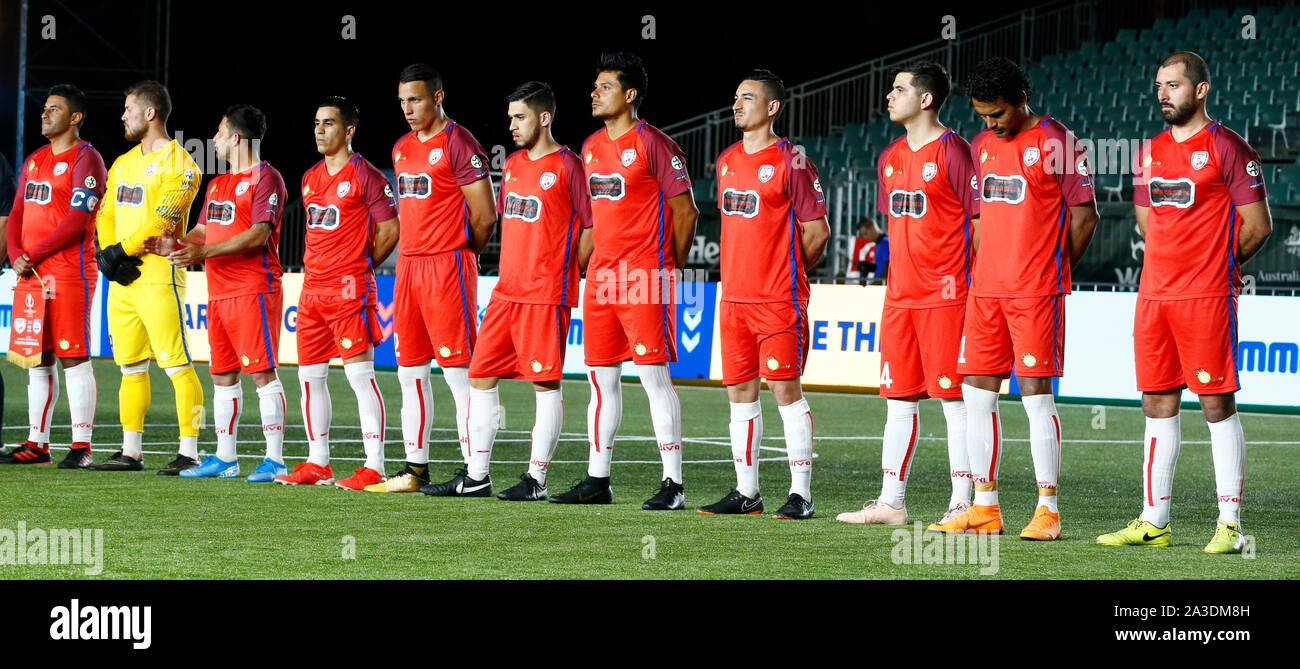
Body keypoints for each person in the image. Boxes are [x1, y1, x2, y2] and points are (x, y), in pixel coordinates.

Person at [1098, 51, 1271, 554]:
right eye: (1158, 85)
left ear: (1200, 90)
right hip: (1155, 296)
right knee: (1157, 402)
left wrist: (1213, 263)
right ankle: (1154, 520)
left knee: (1216, 403)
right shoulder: (1149, 150)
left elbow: (1259, 226)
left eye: (1173, 85)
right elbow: (1147, 221)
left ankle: (1231, 525)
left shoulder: (1229, 147)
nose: (1163, 94)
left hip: (1206, 296)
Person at [927, 58, 1098, 540]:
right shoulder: (981, 146)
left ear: (1021, 99)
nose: (990, 125)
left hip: (1035, 293)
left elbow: (1085, 219)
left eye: (997, 114)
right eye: (982, 116)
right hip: (986, 293)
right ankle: (984, 508)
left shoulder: (1058, 142)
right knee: (976, 395)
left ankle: (1048, 510)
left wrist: (1050, 270)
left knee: (1036, 399)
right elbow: (979, 223)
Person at [427, 81, 592, 500]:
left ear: (544, 117)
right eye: (511, 118)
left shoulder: (570, 166)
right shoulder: (515, 165)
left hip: (544, 294)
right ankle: (477, 475)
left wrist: (567, 270)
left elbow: (592, 228)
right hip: (505, 292)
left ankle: (536, 479)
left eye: (520, 117)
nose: (512, 125)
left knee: (545, 384)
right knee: (480, 375)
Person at [549, 52, 699, 509]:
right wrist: (581, 266)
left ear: (630, 95)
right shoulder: (591, 146)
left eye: (605, 87)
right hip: (601, 279)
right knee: (601, 379)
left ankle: (673, 483)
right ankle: (598, 479)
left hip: (644, 277)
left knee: (654, 377)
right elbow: (594, 220)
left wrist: (666, 269)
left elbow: (686, 211)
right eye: (593, 87)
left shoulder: (656, 144)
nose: (594, 93)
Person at [837, 61, 979, 526]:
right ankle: (891, 502)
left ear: (926, 99)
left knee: (953, 401)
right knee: (898, 400)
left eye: (898, 90)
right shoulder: (890, 157)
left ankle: (964, 501)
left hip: (947, 297)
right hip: (899, 298)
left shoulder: (956, 151)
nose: (888, 96)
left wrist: (969, 284)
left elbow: (978, 226)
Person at [696, 70, 829, 519]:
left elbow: (817, 232)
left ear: (772, 107)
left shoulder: (793, 160)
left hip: (779, 300)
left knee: (786, 392)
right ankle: (746, 491)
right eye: (735, 97)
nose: (737, 104)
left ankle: (802, 495)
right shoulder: (728, 160)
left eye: (747, 98)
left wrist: (783, 272)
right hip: (733, 300)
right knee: (739, 394)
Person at [150, 105, 290, 482]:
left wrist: (203, 252)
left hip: (253, 289)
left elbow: (259, 233)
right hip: (219, 291)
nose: (213, 140)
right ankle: (226, 459)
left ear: (237, 138)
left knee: (262, 373)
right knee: (222, 375)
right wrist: (174, 242)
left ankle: (275, 460)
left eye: (219, 132)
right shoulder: (218, 184)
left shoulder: (267, 178)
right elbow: (202, 231)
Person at [379, 63, 495, 494]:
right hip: (407, 268)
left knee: (457, 372)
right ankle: (415, 469)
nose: (408, 109)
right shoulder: (401, 148)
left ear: (438, 97)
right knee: (410, 372)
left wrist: (460, 254)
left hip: (447, 267)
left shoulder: (460, 142)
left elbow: (485, 216)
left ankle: (474, 473)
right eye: (403, 101)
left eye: (416, 99)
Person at [274, 96, 399, 488]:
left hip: (349, 292)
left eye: (328, 123)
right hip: (311, 291)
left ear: (348, 130)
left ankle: (375, 465)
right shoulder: (309, 177)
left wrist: (358, 265)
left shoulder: (367, 176)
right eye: (315, 123)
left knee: (360, 377)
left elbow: (390, 230)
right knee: (310, 378)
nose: (319, 130)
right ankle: (318, 462)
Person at [89, 81, 205, 474]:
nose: (122, 116)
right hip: (122, 280)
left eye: (128, 108)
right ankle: (131, 451)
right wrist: (108, 255)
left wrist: (121, 251)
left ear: (151, 113)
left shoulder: (182, 163)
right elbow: (105, 212)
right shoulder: (122, 163)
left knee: (175, 364)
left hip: (158, 275)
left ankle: (190, 452)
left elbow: (164, 220)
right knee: (131, 366)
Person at [1, 86, 105, 469]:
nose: (44, 114)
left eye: (54, 109)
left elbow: (77, 220)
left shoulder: (86, 159)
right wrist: (15, 254)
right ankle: (37, 443)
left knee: (73, 355)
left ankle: (81, 445)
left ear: (74, 118)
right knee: (38, 357)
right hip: (30, 273)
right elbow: (16, 213)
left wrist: (33, 254)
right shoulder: (35, 160)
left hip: (68, 272)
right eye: (44, 108)